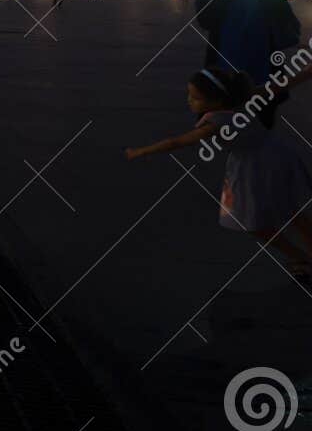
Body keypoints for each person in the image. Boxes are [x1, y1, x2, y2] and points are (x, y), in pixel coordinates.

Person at [126, 67, 312, 289]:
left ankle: (299, 256)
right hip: (277, 156)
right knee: (290, 211)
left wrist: (140, 152)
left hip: (255, 167)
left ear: (216, 100)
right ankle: (302, 255)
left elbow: (177, 142)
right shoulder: (245, 98)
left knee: (252, 220)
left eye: (195, 97)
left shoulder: (215, 123)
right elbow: (284, 83)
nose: (190, 101)